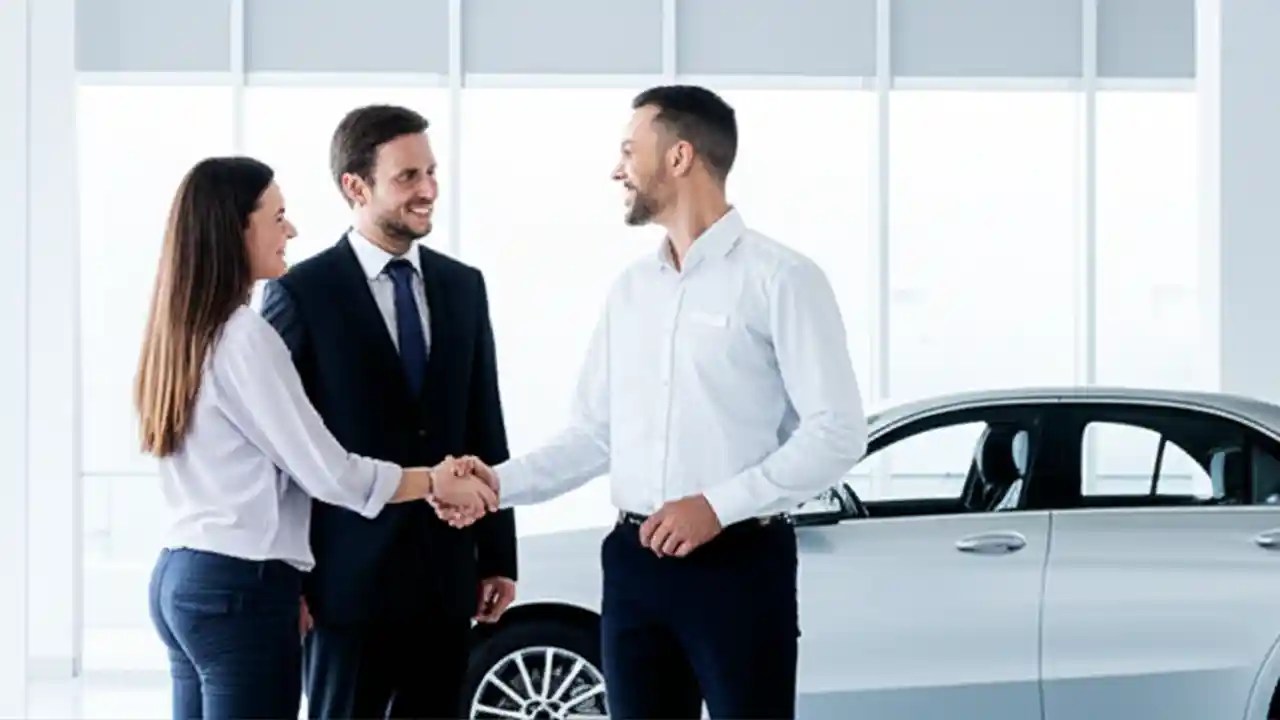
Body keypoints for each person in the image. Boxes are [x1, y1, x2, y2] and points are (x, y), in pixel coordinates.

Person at [444, 85, 869, 719]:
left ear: (679, 156)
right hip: (634, 565)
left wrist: (715, 508)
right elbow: (593, 435)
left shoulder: (782, 279)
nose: (617, 169)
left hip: (739, 566)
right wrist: (494, 485)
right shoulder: (631, 291)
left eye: (627, 150)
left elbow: (837, 432)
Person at [138, 156, 496, 720]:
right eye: (277, 217)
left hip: (183, 578)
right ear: (237, 228)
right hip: (241, 588)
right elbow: (329, 472)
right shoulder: (243, 336)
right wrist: (434, 479)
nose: (292, 231)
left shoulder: (182, 332)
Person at [260, 104, 518, 719]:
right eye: (407, 177)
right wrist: (286, 579)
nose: (428, 189)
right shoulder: (301, 293)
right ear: (356, 186)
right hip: (344, 584)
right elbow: (277, 449)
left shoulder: (464, 285)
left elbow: (486, 421)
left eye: (431, 172)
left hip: (446, 578)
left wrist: (498, 555)